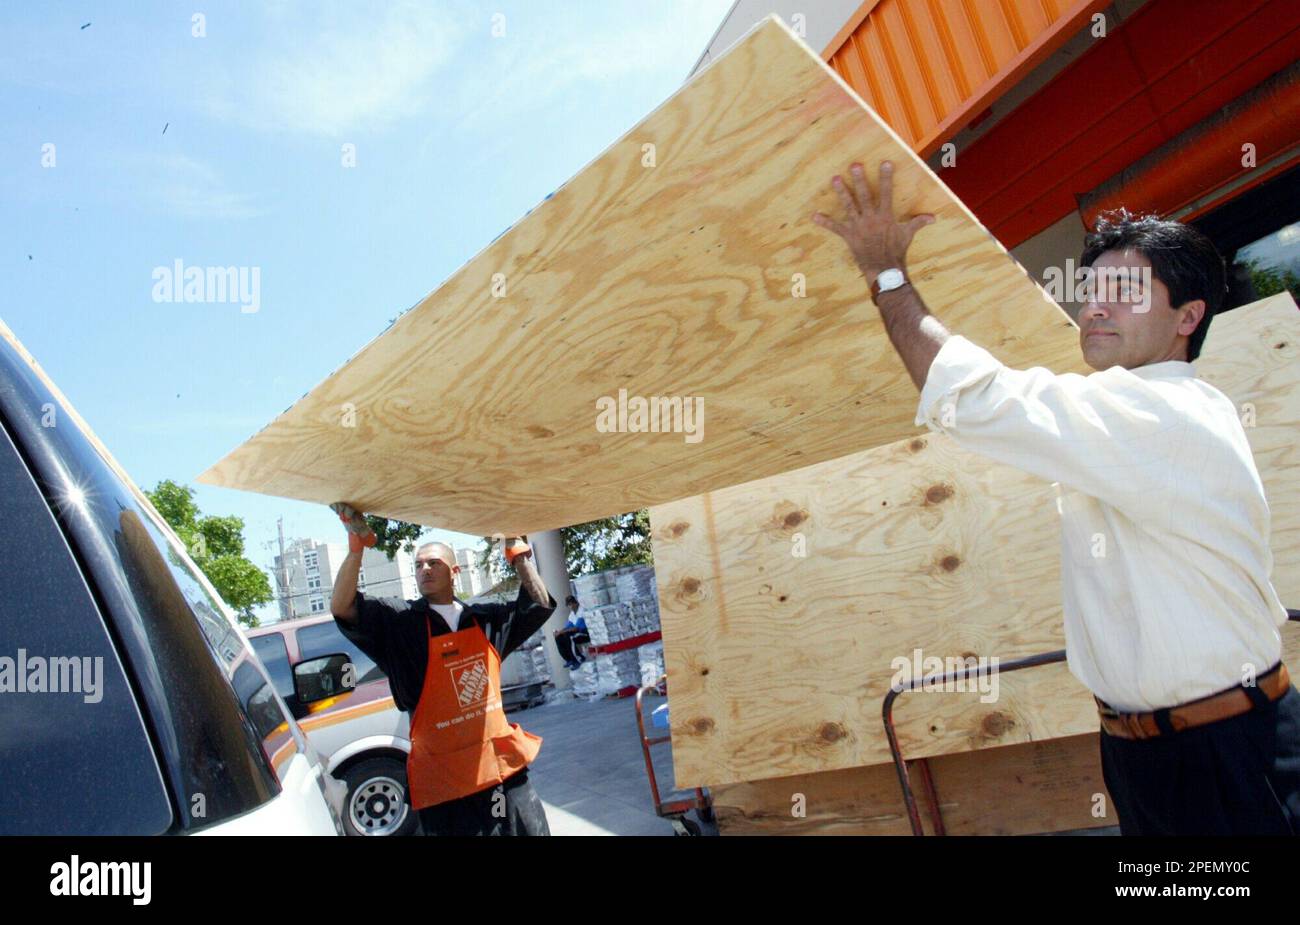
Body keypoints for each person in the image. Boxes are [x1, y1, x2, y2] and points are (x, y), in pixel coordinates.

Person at [812, 160, 1298, 835]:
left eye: (1125, 290)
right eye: (1091, 290)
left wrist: (886, 273)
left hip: (1226, 754)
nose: (1094, 305)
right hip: (1145, 755)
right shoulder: (1128, 416)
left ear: (1189, 315)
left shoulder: (1160, 409)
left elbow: (974, 397)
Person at [328, 503, 556, 836]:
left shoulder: (485, 620)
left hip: (501, 774)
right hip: (443, 785)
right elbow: (342, 606)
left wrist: (517, 550)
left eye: (434, 563)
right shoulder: (400, 623)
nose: (424, 569)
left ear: (455, 572)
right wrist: (356, 546)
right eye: (418, 564)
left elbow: (537, 603)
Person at [553, 595, 589, 670]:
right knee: (559, 637)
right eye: (569, 605)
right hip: (577, 633)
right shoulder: (572, 615)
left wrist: (562, 632)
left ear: (576, 603)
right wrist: (559, 632)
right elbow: (568, 627)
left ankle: (577, 659)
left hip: (585, 633)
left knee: (569, 637)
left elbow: (577, 628)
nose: (571, 606)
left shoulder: (581, 611)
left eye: (572, 603)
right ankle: (568, 659)